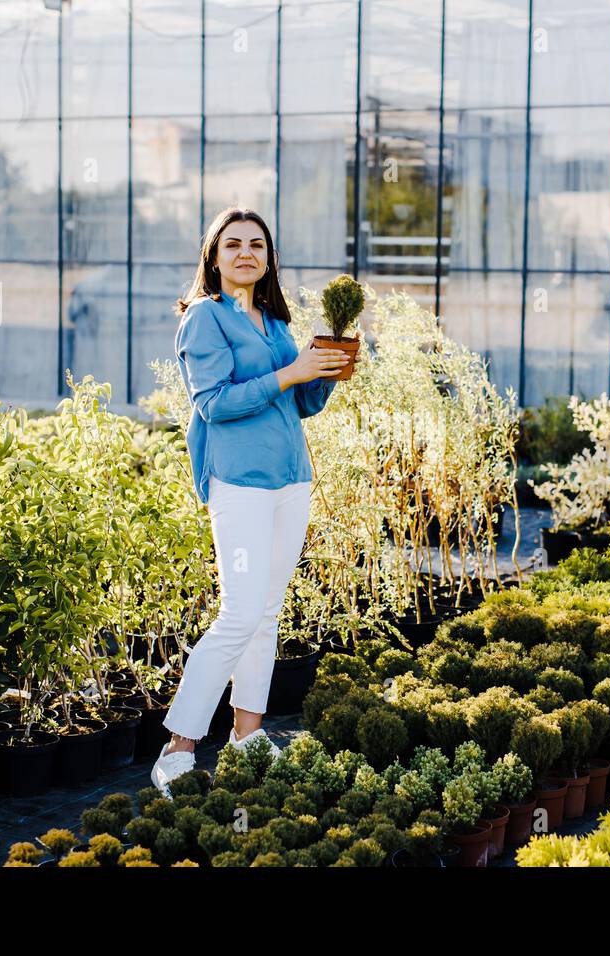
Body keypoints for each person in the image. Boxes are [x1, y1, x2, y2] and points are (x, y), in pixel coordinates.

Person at [150, 206, 353, 791]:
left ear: (268, 259)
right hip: (239, 485)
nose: (246, 253)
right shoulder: (204, 320)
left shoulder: (273, 322)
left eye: (257, 245)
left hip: (292, 480)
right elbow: (215, 402)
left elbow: (302, 405)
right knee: (239, 614)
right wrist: (291, 375)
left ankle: (247, 737)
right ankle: (178, 748)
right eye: (233, 243)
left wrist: (324, 370)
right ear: (214, 257)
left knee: (265, 615)